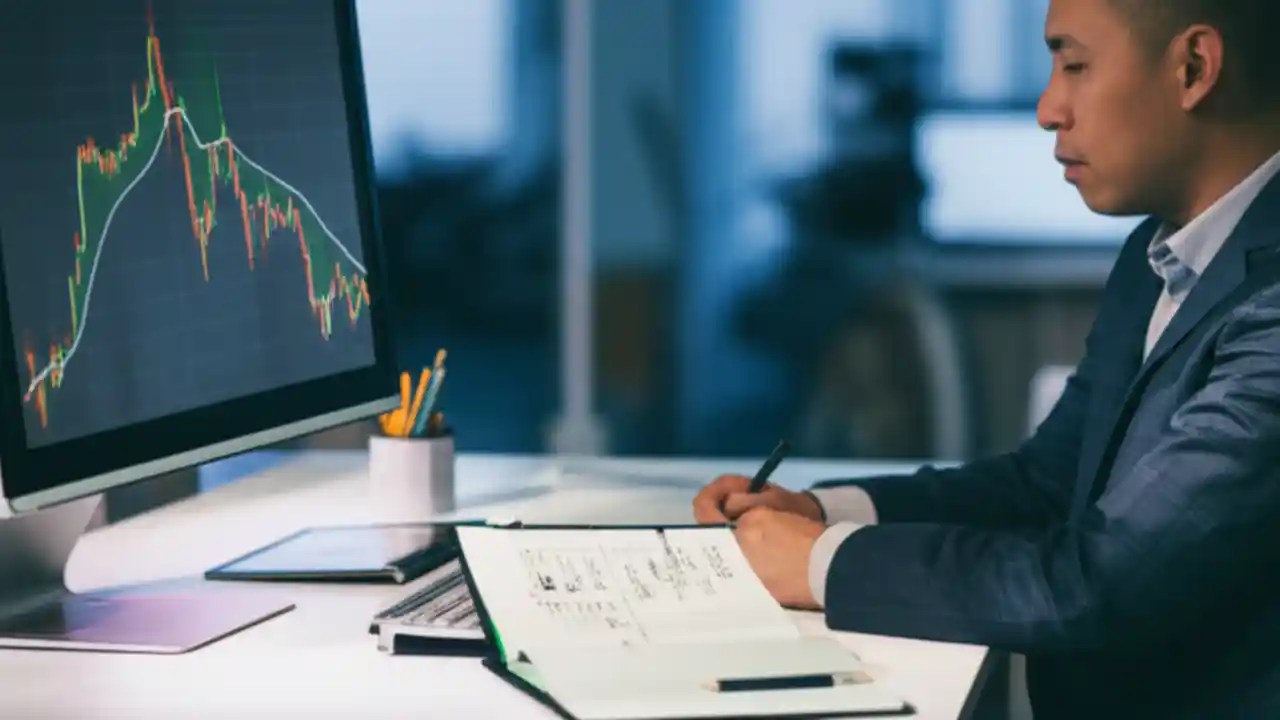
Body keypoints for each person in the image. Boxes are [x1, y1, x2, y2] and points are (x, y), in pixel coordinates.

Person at [693, 0, 1280, 717]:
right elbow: (1045, 486)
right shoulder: (1158, 253)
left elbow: (1099, 586)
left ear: (1194, 68)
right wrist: (821, 513)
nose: (1047, 108)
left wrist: (820, 564)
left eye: (1075, 64)